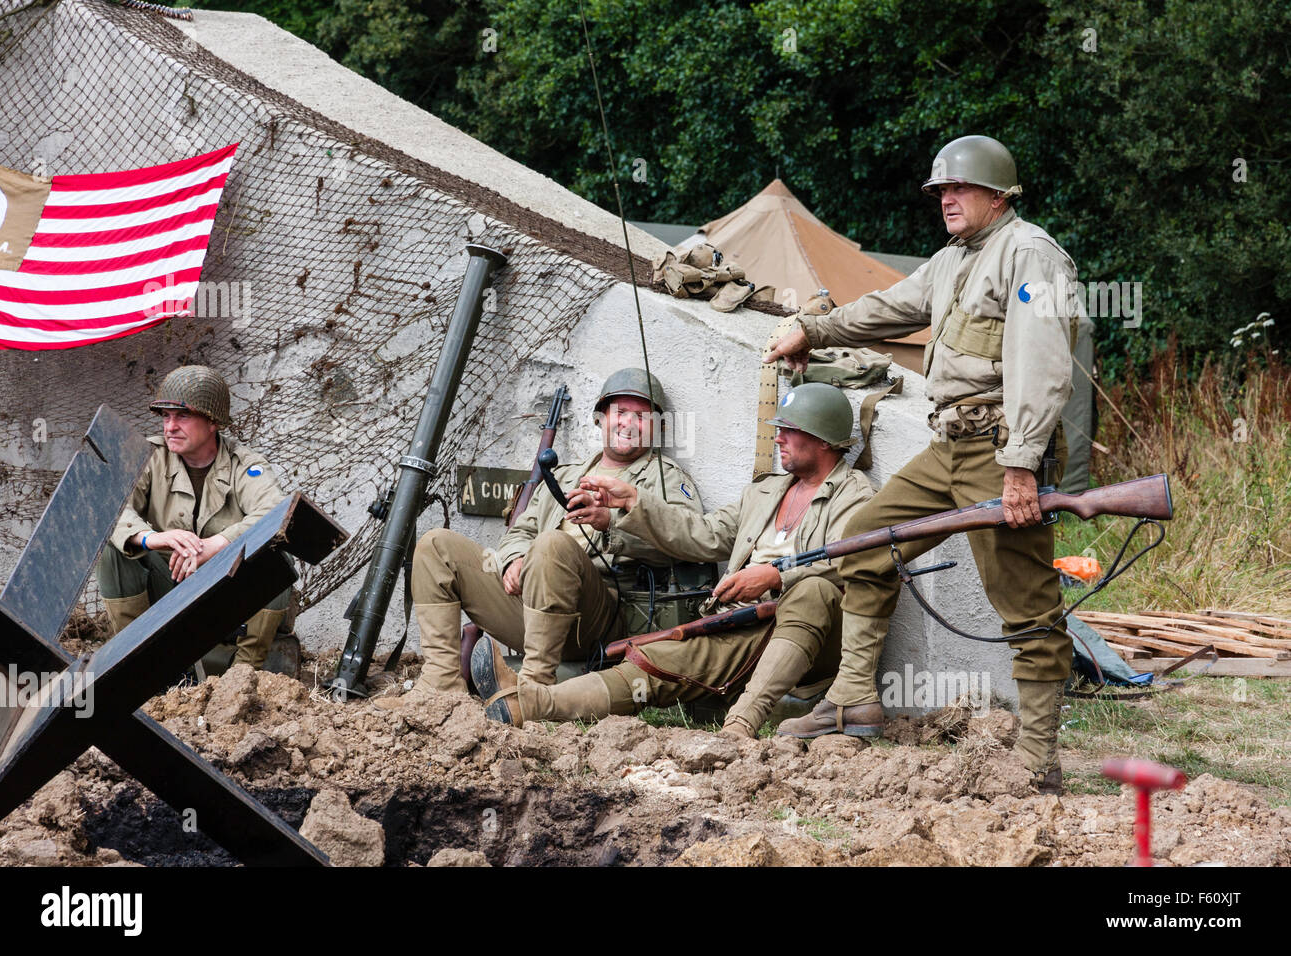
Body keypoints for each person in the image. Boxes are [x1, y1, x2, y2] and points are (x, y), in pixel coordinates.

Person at [765, 134, 1078, 792]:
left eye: (959, 189)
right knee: (864, 542)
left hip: (1000, 449)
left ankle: (1038, 761)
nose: (946, 200)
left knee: (1025, 604)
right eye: (940, 192)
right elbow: (889, 308)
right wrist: (812, 329)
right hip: (949, 449)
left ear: (999, 195)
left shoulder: (1030, 255)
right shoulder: (952, 261)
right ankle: (854, 700)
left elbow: (1043, 366)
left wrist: (1021, 465)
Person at [470, 383, 872, 739]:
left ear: (823, 440)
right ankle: (531, 703)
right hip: (734, 624)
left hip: (801, 628)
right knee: (648, 665)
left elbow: (853, 562)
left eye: (789, 430)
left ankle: (740, 725)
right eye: (778, 429)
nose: (778, 439)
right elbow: (703, 535)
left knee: (814, 590)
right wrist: (630, 505)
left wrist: (774, 576)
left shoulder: (855, 494)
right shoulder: (765, 492)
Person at [397, 368, 703, 708]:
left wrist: (612, 524)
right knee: (436, 546)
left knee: (552, 544)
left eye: (641, 416)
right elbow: (522, 532)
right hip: (532, 605)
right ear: (601, 419)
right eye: (620, 413)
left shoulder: (667, 480)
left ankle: (533, 691)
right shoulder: (567, 476)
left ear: (658, 428)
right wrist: (513, 560)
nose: (628, 423)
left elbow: (691, 540)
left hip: (599, 616)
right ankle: (439, 690)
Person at [100, 365, 289, 668]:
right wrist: (151, 538)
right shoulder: (150, 455)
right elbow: (110, 508)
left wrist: (218, 543)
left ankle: (243, 675)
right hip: (170, 590)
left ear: (213, 422)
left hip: (226, 599)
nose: (170, 426)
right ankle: (134, 664)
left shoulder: (245, 465)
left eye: (182, 416)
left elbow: (276, 513)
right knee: (114, 549)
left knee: (276, 555)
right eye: (165, 416)